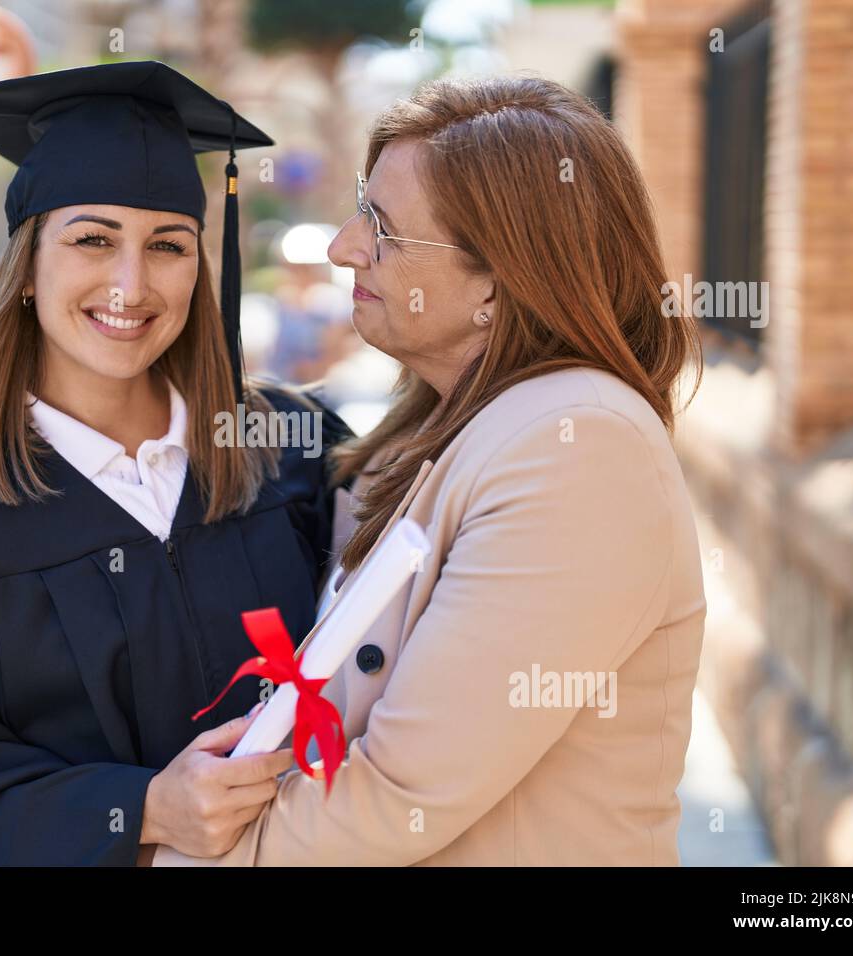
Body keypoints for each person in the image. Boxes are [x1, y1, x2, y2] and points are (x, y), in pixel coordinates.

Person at [153, 74, 707, 866]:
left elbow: (398, 797)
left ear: (500, 275)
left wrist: (159, 856)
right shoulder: (449, 428)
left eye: (383, 227)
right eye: (358, 207)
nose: (345, 246)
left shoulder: (579, 450)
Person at [0, 61, 351, 866]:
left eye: (169, 245)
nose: (131, 283)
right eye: (92, 239)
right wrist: (137, 811)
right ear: (28, 268)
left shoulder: (293, 447)